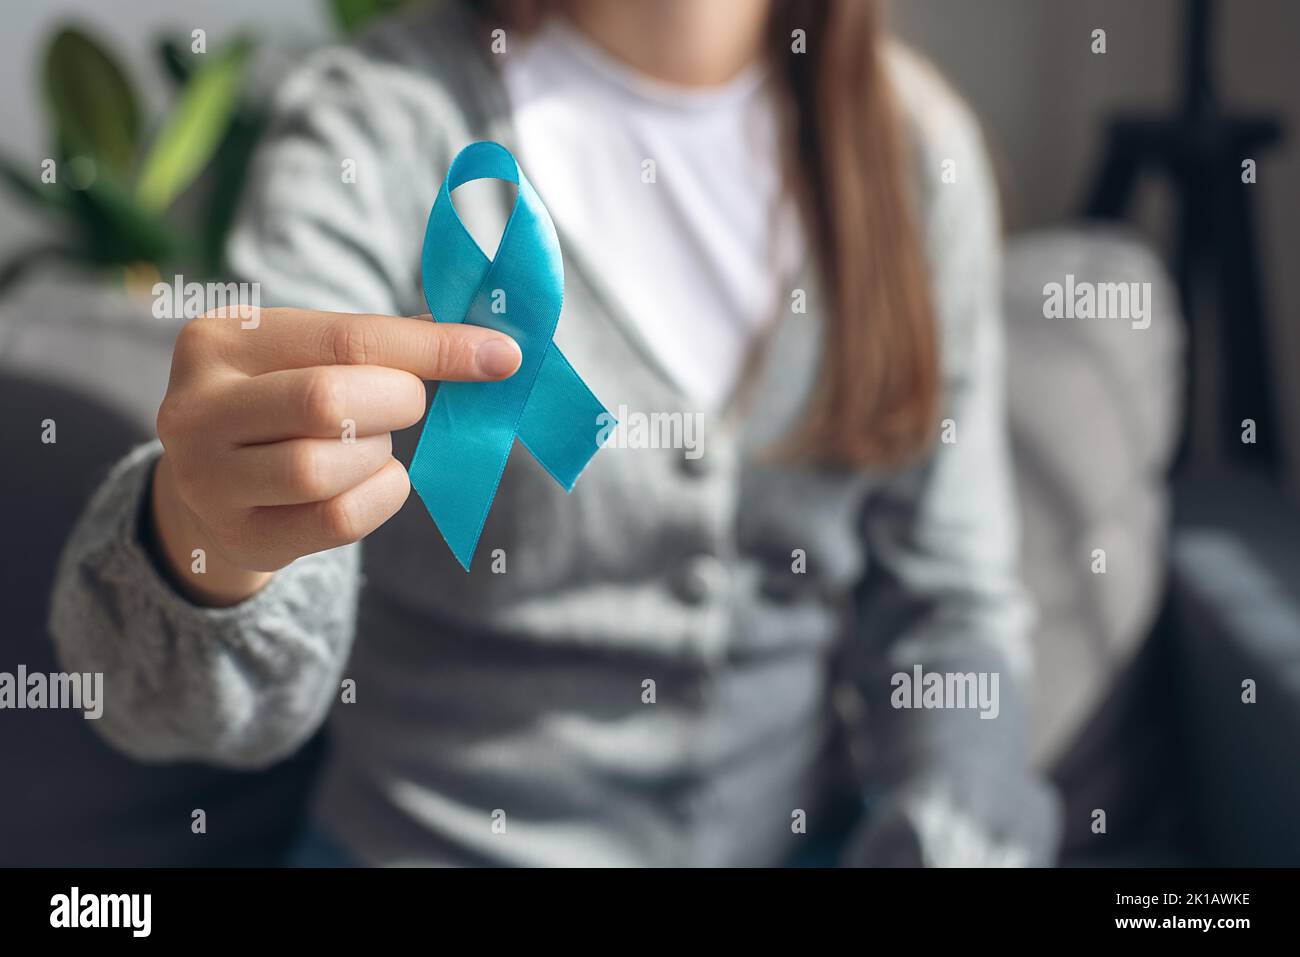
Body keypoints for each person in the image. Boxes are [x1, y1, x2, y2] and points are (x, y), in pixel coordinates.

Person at [51, 0, 1059, 866]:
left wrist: (946, 832)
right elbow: (181, 687)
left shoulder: (911, 148)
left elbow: (947, 604)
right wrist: (207, 538)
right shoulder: (380, 128)